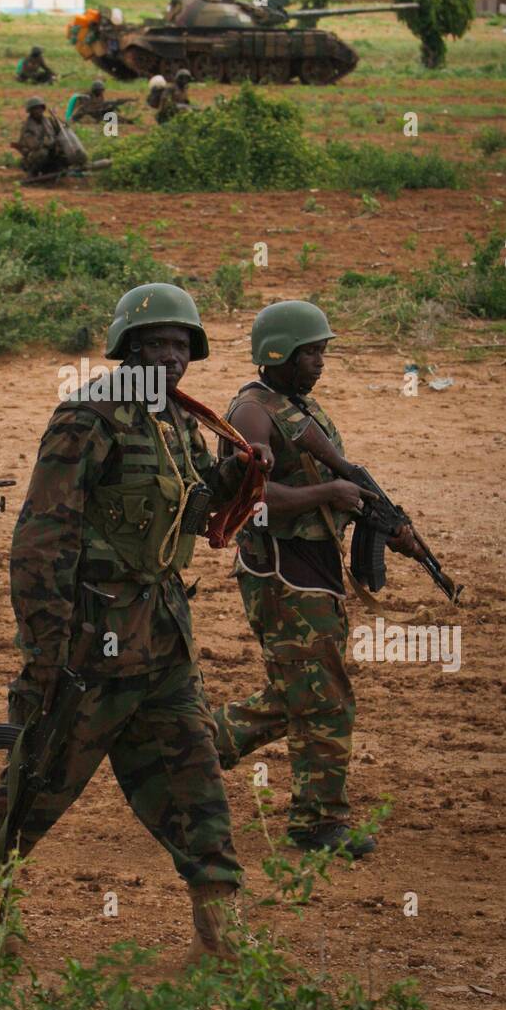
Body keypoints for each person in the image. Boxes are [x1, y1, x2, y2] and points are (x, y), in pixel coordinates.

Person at [0, 283, 269, 962]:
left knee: (194, 778)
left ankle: (222, 936)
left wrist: (236, 475)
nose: (169, 357)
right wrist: (46, 650)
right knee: (39, 783)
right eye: (154, 344)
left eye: (179, 345)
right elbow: (40, 539)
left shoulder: (177, 423)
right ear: (127, 348)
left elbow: (194, 510)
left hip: (162, 636)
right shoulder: (88, 419)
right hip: (91, 641)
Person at [211, 302, 421, 856]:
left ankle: (190, 749)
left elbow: (333, 482)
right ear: (277, 353)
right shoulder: (253, 413)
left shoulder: (299, 408)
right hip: (280, 572)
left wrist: (383, 522)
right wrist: (329, 494)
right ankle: (319, 823)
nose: (320, 361)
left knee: (305, 693)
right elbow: (251, 500)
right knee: (325, 696)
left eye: (323, 349)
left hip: (313, 566)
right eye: (310, 352)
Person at [12, 96, 68, 177]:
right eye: (35, 109)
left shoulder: (48, 121)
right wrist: (47, 143)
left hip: (50, 148)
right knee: (42, 153)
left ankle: (57, 169)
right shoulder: (28, 127)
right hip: (32, 155)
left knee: (64, 149)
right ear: (30, 111)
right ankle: (32, 172)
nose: (38, 111)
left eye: (40, 108)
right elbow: (33, 145)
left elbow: (59, 131)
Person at [67, 79, 136, 125]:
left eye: (102, 90)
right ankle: (71, 121)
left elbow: (102, 104)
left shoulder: (100, 96)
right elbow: (88, 108)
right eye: (100, 90)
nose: (101, 92)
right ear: (95, 90)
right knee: (83, 110)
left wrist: (110, 107)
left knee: (112, 114)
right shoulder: (86, 96)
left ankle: (127, 121)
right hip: (88, 114)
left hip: (97, 113)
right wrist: (104, 108)